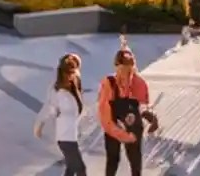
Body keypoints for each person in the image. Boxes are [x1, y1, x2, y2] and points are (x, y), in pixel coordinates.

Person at [98, 47, 152, 176]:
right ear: (116, 66)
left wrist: (149, 115)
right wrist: (124, 135)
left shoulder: (139, 84)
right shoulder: (109, 84)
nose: (125, 70)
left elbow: (144, 106)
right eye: (121, 66)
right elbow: (105, 118)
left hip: (132, 129)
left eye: (129, 66)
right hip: (113, 126)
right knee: (113, 160)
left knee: (135, 163)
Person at [35, 53, 87, 175]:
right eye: (69, 73)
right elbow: (48, 107)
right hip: (64, 137)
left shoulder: (75, 85)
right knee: (80, 169)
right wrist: (39, 124)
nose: (71, 76)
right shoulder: (56, 89)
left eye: (73, 72)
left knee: (71, 168)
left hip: (72, 135)